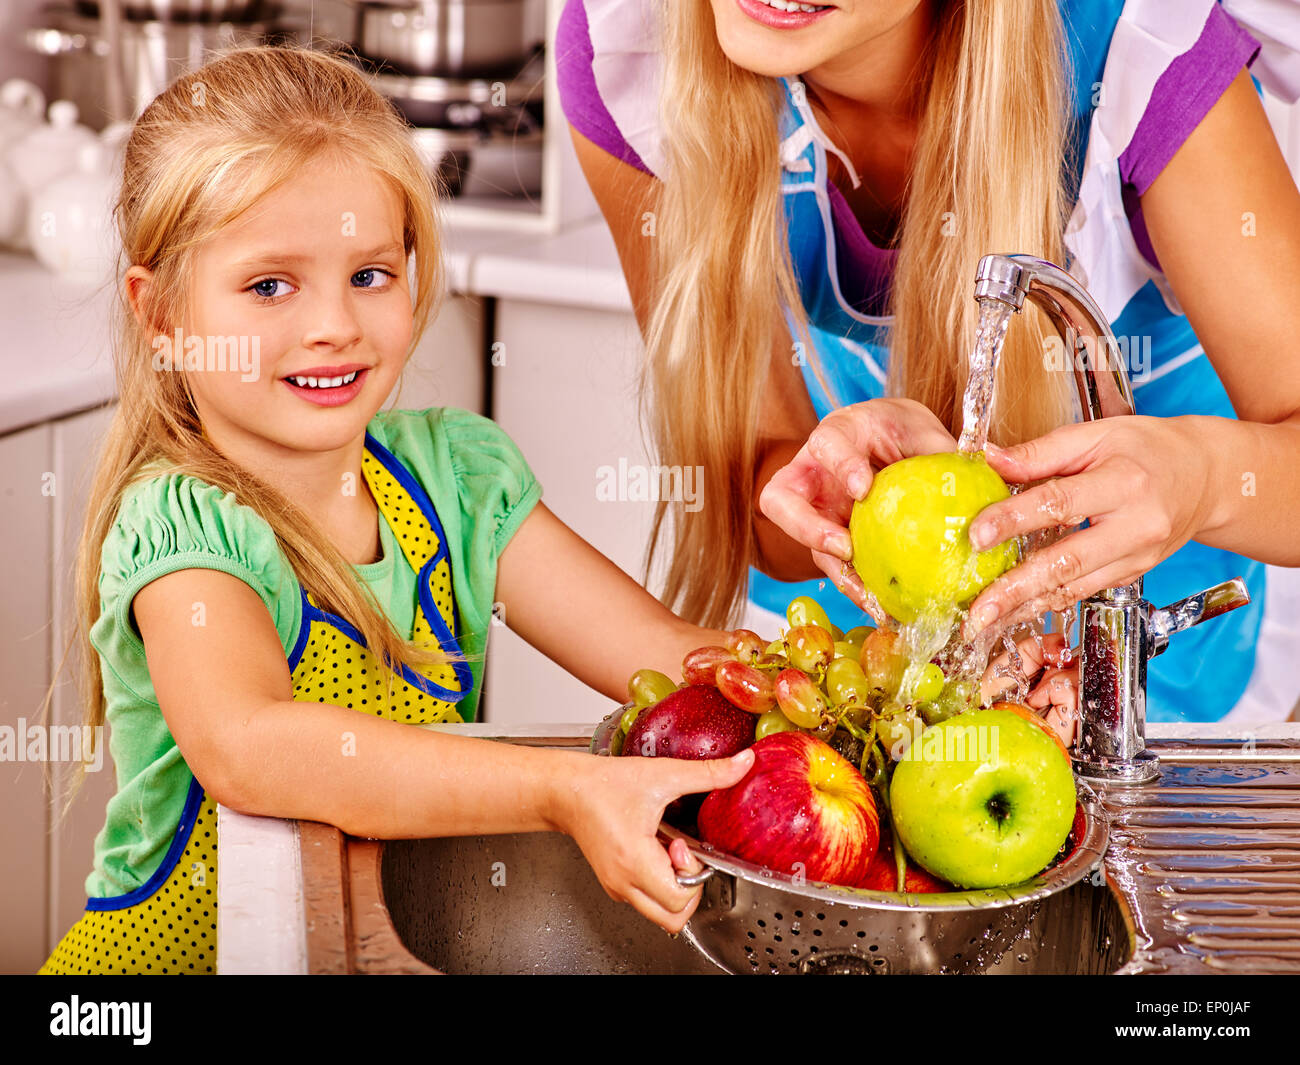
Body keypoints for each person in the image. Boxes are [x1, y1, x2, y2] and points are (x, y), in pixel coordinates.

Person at [38, 45, 764, 975]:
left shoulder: (458, 479)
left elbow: (666, 659)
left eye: (370, 274)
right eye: (270, 286)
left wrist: (875, 688)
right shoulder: (183, 528)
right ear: (161, 313)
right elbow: (252, 747)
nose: (333, 324)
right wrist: (562, 788)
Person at [558, 0, 1300, 724]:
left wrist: (1199, 478)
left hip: (1165, 676)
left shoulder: (1137, 55)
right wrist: (846, 494)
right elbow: (765, 491)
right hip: (863, 654)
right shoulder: (636, 57)